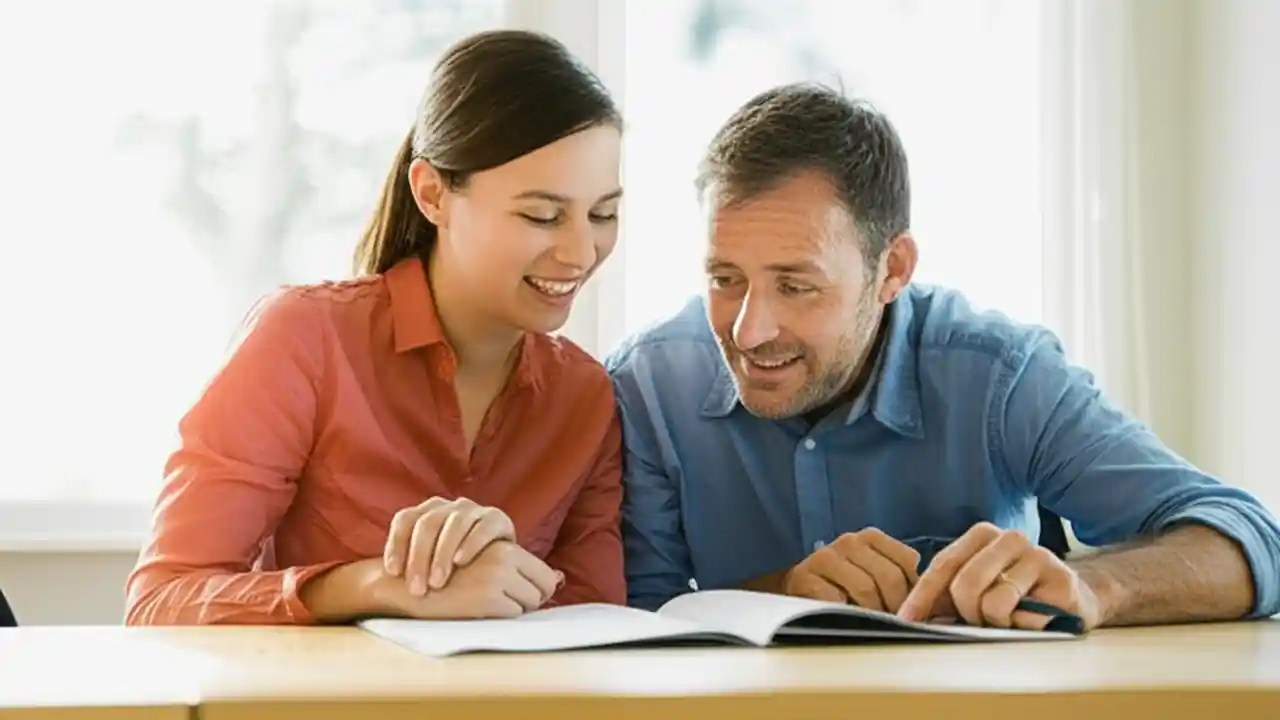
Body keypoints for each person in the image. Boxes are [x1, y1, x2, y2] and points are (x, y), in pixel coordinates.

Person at [606, 83, 1280, 630]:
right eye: (725, 278)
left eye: (796, 285)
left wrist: (1093, 587)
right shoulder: (648, 386)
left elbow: (1251, 540)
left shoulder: (998, 375)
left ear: (891, 269)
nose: (750, 331)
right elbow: (632, 620)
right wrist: (781, 591)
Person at [126, 30, 626, 625]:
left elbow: (598, 623)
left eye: (603, 214)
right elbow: (162, 602)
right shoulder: (305, 341)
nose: (579, 253)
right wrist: (381, 584)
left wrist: (508, 575)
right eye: (541, 215)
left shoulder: (585, 396)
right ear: (433, 194)